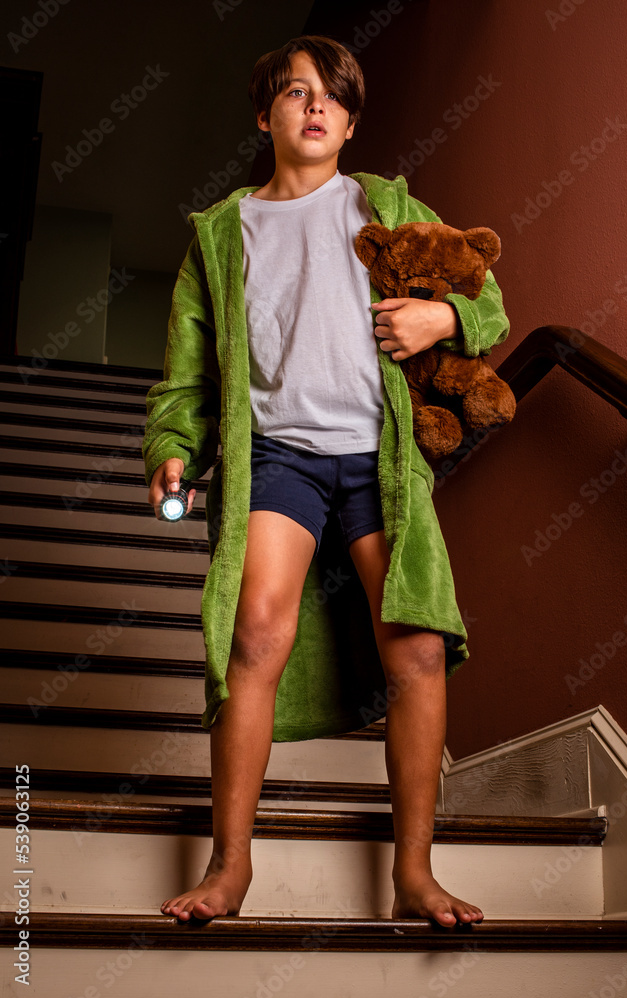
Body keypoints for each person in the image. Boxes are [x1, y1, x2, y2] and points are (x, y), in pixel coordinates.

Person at [143, 34, 509, 928]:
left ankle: (412, 873)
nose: (315, 107)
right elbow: (186, 377)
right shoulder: (221, 234)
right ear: (263, 113)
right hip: (278, 457)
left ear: (348, 122)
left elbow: (484, 299)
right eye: (295, 92)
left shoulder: (380, 203)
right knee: (254, 633)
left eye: (332, 97)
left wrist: (440, 317)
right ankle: (230, 868)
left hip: (380, 460)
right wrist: (173, 445)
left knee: (416, 649)